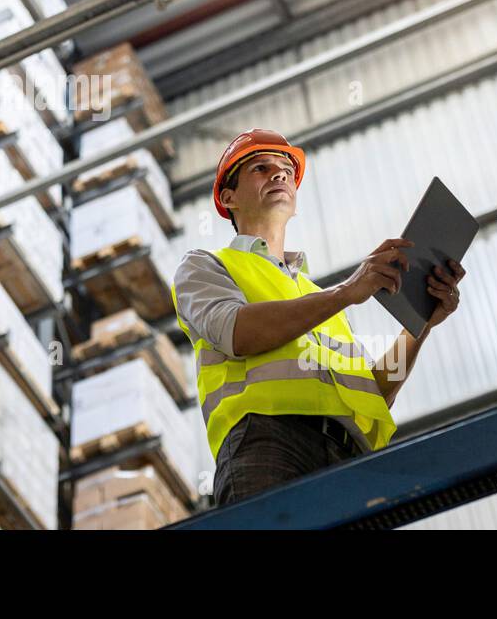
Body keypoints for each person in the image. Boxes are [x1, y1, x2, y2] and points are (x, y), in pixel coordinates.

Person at [171, 128, 465, 507]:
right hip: (269, 441)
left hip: (351, 459)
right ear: (228, 198)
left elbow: (375, 393)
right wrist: (346, 292)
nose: (279, 175)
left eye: (285, 171)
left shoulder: (316, 297)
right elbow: (237, 332)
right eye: (261, 168)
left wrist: (420, 323)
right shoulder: (206, 266)